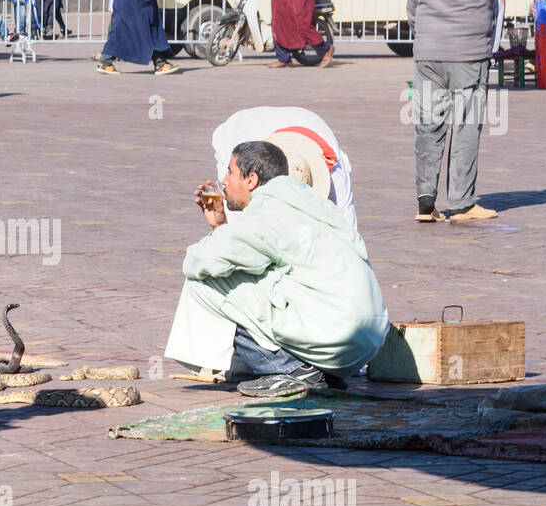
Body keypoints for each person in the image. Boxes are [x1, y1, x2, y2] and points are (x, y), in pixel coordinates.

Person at [163, 140, 389, 396]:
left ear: (251, 180)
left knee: (204, 283)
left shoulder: (268, 208)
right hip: (365, 342)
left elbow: (199, 262)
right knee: (260, 273)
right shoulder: (313, 204)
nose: (224, 181)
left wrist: (216, 239)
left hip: (336, 333)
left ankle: (292, 371)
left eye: (230, 172)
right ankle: (317, 372)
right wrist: (221, 228)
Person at [408, 0, 546, 223]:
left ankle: (426, 204)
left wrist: (428, 38)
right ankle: (460, 204)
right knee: (466, 126)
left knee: (428, 126)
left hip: (428, 56)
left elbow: (412, 10)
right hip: (467, 55)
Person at [210, 106, 357, 230]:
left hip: (309, 125)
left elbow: (349, 235)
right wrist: (221, 226)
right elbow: (238, 243)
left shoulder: (335, 177)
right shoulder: (247, 151)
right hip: (242, 132)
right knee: (240, 219)